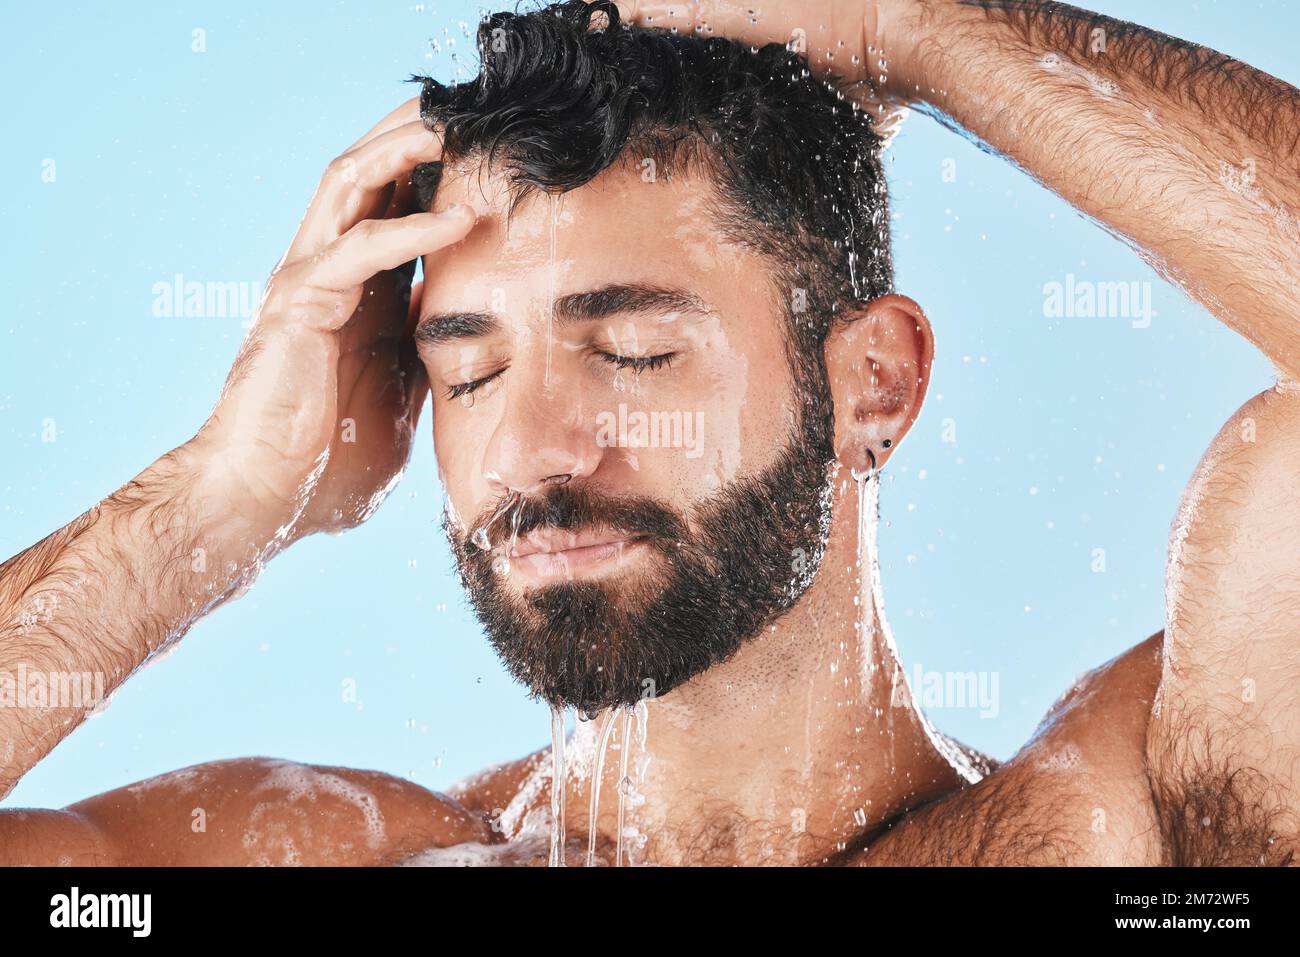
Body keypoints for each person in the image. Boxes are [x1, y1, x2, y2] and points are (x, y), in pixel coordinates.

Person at [1, 0, 1297, 866]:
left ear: (876, 384)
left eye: (629, 348)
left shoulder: (1122, 830)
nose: (532, 450)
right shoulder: (353, 855)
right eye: (468, 373)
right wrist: (217, 499)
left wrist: (911, 33)